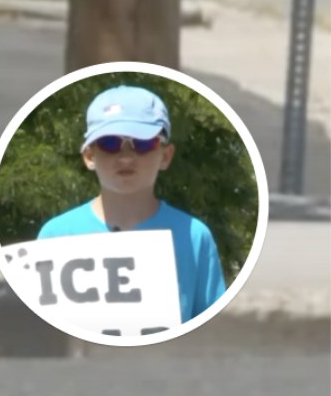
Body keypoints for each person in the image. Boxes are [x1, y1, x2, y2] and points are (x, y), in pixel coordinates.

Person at [37, 84, 227, 323]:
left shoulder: (194, 236)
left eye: (143, 143)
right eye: (109, 144)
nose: (126, 157)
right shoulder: (56, 235)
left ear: (165, 156)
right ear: (89, 156)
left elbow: (210, 332)